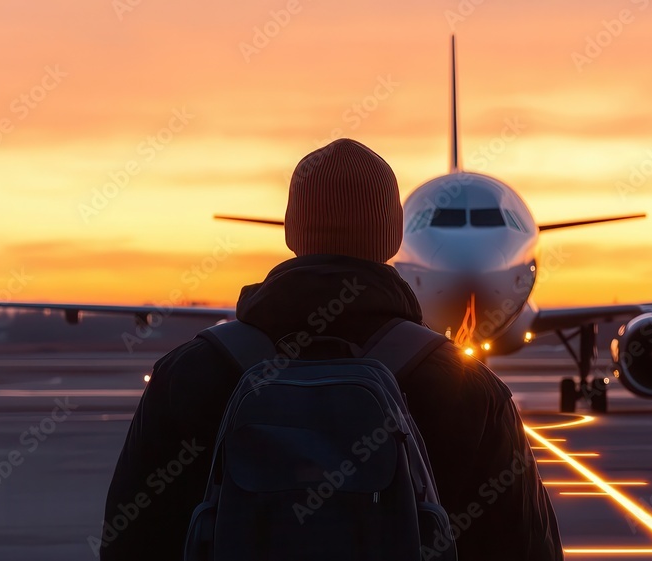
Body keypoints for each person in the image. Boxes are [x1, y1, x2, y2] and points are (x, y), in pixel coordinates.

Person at [98, 138, 562, 560]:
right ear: (394, 238)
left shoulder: (189, 375)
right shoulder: (469, 393)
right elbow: (526, 548)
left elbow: (129, 543)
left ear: (291, 232)